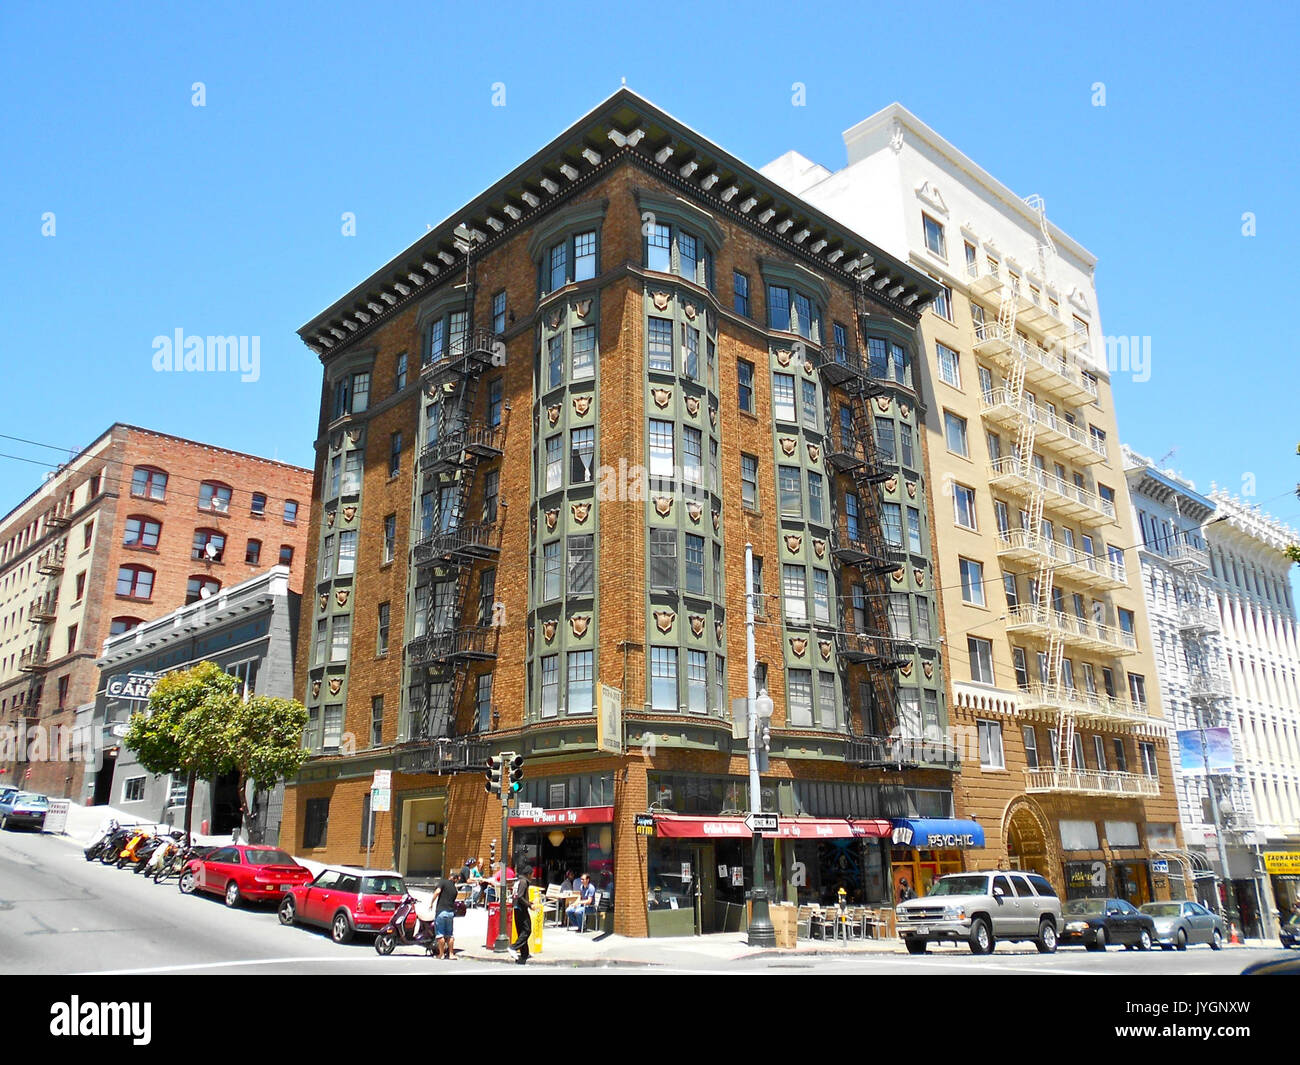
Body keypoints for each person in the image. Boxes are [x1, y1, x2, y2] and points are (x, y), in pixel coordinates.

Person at [430, 873, 458, 959]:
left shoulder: (443, 882)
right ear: (455, 880)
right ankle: (451, 954)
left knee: (440, 934)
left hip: (441, 912)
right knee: (450, 935)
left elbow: (437, 892)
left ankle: (441, 954)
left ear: (450, 877)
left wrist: (431, 902)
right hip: (450, 913)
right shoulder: (455, 890)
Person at [510, 861, 532, 965]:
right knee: (527, 930)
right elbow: (520, 896)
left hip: (516, 908)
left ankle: (524, 954)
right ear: (528, 874)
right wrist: (529, 905)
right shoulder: (523, 882)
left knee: (522, 931)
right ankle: (513, 947)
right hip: (521, 909)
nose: (532, 877)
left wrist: (528, 902)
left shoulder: (518, 881)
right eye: (531, 874)